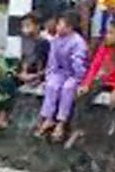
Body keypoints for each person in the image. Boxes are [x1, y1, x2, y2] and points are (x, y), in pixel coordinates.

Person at [36, 10, 89, 142]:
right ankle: (48, 118)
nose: (58, 27)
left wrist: (79, 79)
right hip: (60, 72)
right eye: (58, 24)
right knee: (52, 86)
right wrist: (49, 76)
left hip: (74, 74)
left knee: (67, 89)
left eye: (61, 25)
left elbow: (79, 64)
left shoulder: (78, 42)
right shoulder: (55, 40)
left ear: (70, 27)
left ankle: (61, 122)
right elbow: (52, 62)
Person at [0, 13, 50, 129]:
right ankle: (0, 116)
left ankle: (3, 117)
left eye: (28, 25)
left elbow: (47, 66)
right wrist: (21, 73)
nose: (25, 29)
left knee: (10, 84)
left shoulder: (44, 43)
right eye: (23, 26)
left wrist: (35, 77)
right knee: (4, 81)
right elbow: (23, 60)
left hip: (37, 76)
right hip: (24, 74)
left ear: (37, 26)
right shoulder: (24, 41)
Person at [79, 17, 115, 109]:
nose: (107, 36)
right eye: (107, 32)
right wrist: (86, 83)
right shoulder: (104, 47)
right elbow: (95, 66)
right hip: (104, 81)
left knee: (114, 101)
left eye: (111, 33)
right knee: (82, 96)